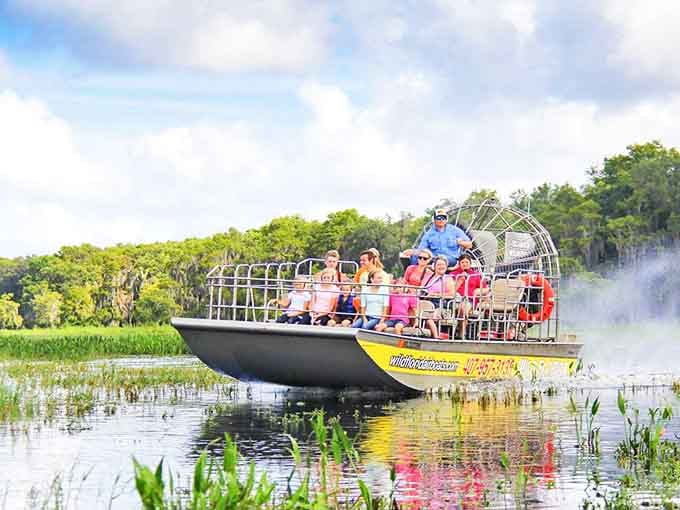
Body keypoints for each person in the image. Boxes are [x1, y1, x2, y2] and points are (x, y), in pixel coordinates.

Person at [403, 209, 472, 267]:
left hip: (451, 259)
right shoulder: (429, 233)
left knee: (440, 261)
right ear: (434, 219)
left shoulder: (454, 230)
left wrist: (460, 242)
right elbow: (421, 248)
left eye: (443, 218)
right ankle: (413, 278)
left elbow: (469, 244)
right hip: (434, 258)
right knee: (415, 257)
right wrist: (413, 252)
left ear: (446, 219)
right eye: (438, 218)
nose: (441, 220)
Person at [421, 255, 456, 339]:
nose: (441, 267)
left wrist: (437, 294)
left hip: (441, 304)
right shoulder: (429, 277)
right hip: (427, 301)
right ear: (434, 266)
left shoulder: (448, 278)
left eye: (443, 265)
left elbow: (451, 294)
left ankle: (434, 336)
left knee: (427, 315)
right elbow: (422, 289)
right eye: (439, 265)